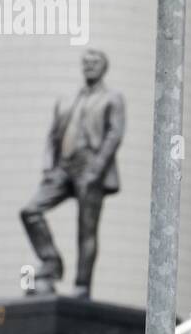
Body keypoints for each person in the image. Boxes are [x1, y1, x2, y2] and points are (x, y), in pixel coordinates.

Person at [19, 50, 125, 299]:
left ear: (104, 68)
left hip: (91, 169)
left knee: (86, 230)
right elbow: (52, 135)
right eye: (85, 62)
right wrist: (49, 167)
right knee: (30, 211)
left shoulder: (112, 98)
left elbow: (115, 134)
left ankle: (82, 285)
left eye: (94, 62)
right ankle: (51, 261)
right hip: (63, 168)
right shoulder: (67, 99)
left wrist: (96, 169)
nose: (89, 66)